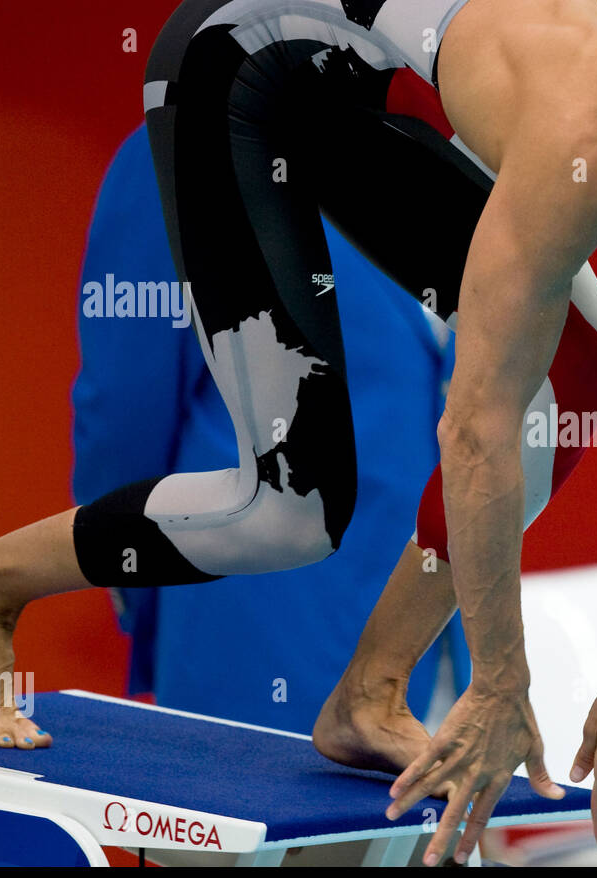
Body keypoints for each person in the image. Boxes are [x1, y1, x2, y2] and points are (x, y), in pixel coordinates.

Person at [0, 0, 597, 865]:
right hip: (242, 67)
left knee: (585, 380)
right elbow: (474, 425)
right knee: (291, 509)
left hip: (348, 89)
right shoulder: (591, 133)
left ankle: (366, 695)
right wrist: (497, 682)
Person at [72, 123, 469, 731]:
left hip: (439, 643)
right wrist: (129, 559)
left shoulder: (445, 146)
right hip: (262, 622)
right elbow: (127, 408)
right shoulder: (184, 146)